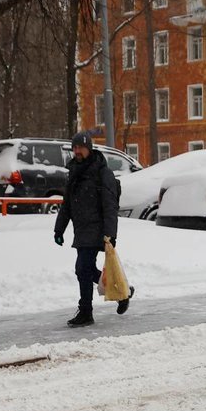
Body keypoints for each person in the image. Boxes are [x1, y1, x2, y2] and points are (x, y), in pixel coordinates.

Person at [53, 132, 130, 327]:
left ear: (89, 148)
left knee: (82, 268)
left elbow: (110, 205)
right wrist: (59, 229)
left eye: (81, 147)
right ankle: (121, 292)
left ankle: (86, 311)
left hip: (97, 229)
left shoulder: (101, 172)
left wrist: (111, 234)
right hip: (81, 230)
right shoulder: (74, 171)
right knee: (84, 270)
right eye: (75, 147)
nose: (77, 151)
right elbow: (67, 204)